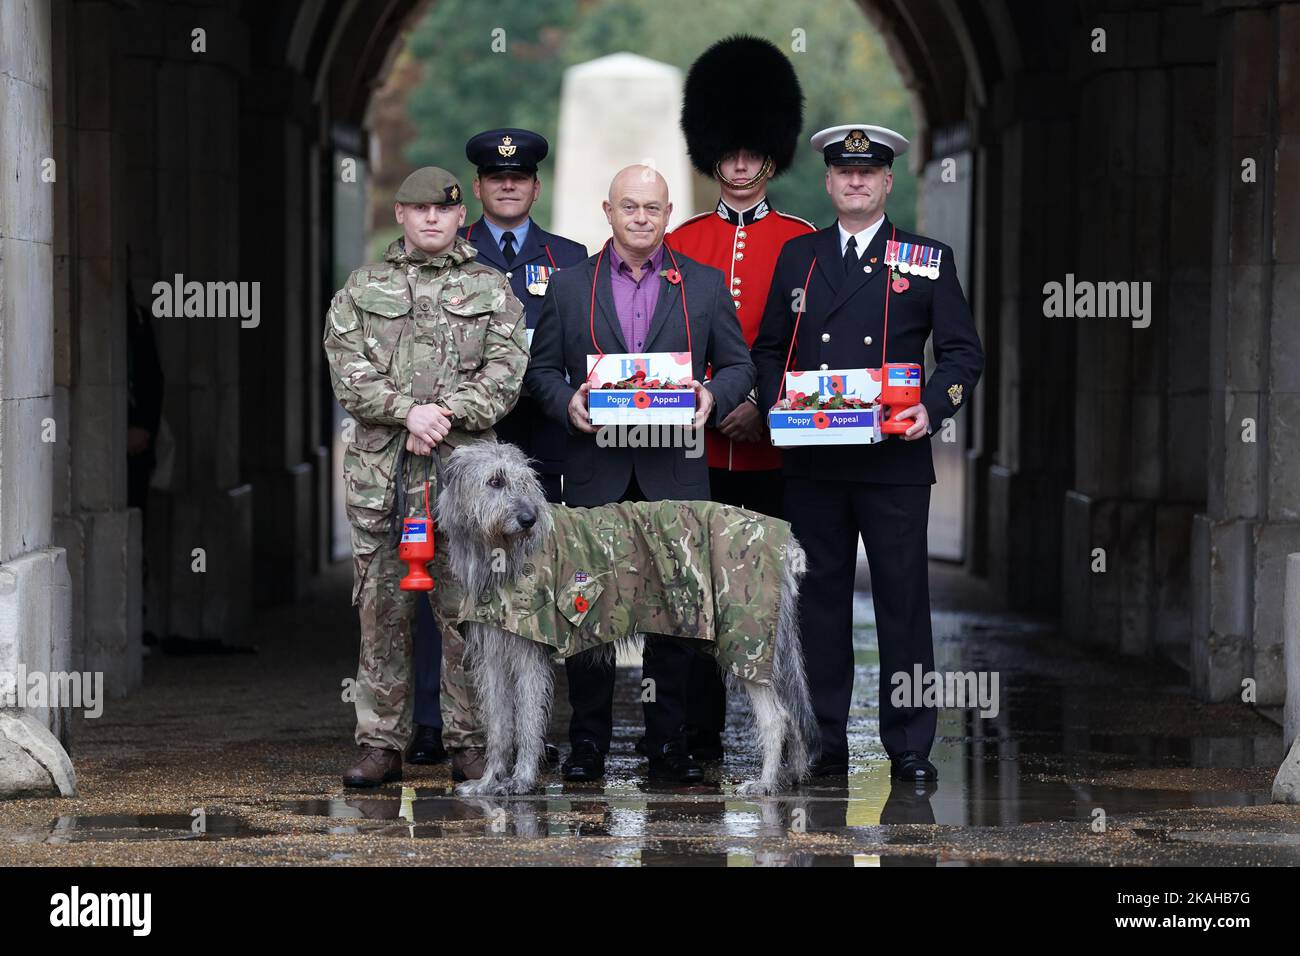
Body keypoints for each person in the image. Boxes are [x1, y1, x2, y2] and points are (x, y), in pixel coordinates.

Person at [752, 125, 984, 783]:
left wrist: (933, 407)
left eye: (869, 172)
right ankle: (825, 742)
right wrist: (777, 404)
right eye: (844, 172)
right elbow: (770, 348)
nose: (856, 181)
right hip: (815, 464)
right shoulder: (801, 257)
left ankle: (909, 745)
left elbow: (964, 354)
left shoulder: (925, 257)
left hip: (893, 463)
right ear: (829, 182)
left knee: (903, 605)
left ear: (887, 182)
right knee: (819, 605)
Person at [525, 165, 755, 783]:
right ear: (608, 210)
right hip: (595, 471)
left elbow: (740, 364)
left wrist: (711, 396)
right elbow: (541, 371)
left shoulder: (702, 286)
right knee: (587, 610)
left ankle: (669, 747)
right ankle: (588, 746)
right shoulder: (570, 287)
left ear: (668, 212)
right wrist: (566, 401)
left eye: (653, 209)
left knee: (675, 618)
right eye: (630, 207)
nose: (641, 219)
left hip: (674, 474)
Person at [324, 166, 528, 787]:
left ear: (459, 216)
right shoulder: (362, 288)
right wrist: (404, 411)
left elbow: (507, 371)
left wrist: (442, 415)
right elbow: (347, 369)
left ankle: (469, 741)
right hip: (383, 481)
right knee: (381, 610)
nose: (432, 219)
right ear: (403, 217)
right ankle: (381, 743)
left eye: (443, 211)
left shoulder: (493, 289)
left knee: (464, 610)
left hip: (464, 487)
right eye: (419, 210)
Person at [406, 129, 587, 767]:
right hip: (461, 446)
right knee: (448, 579)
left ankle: (535, 730)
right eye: (494, 177)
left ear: (536, 187)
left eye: (520, 177)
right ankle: (436, 720)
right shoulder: (443, 257)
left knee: (538, 591)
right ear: (476, 189)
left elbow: (576, 353)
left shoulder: (571, 260)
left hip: (541, 443)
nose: (508, 185)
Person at [665, 34, 815, 761]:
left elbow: (808, 347)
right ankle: (697, 736)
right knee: (696, 601)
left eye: (752, 152)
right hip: (698, 453)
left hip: (775, 452)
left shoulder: (802, 240)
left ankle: (780, 738)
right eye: (729, 153)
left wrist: (768, 406)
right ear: (712, 153)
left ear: (770, 154)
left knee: (773, 602)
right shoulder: (682, 240)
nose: (741, 164)